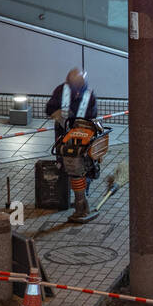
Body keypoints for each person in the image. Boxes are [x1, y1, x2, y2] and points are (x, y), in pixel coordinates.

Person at [45, 68, 98, 222]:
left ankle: (82, 197)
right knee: (67, 165)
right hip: (64, 136)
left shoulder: (89, 95)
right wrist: (58, 113)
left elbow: (92, 117)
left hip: (82, 137)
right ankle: (77, 197)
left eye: (78, 88)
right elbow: (49, 108)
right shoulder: (61, 91)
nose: (76, 93)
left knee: (82, 166)